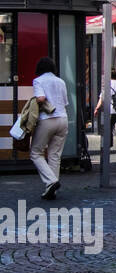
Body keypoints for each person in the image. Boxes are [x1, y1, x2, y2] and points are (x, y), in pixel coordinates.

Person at [31, 57, 69, 202]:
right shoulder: (61, 81)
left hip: (47, 120)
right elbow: (65, 102)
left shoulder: (38, 81)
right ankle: (50, 190)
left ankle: (51, 182)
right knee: (55, 155)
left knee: (36, 152)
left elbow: (40, 98)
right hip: (63, 119)